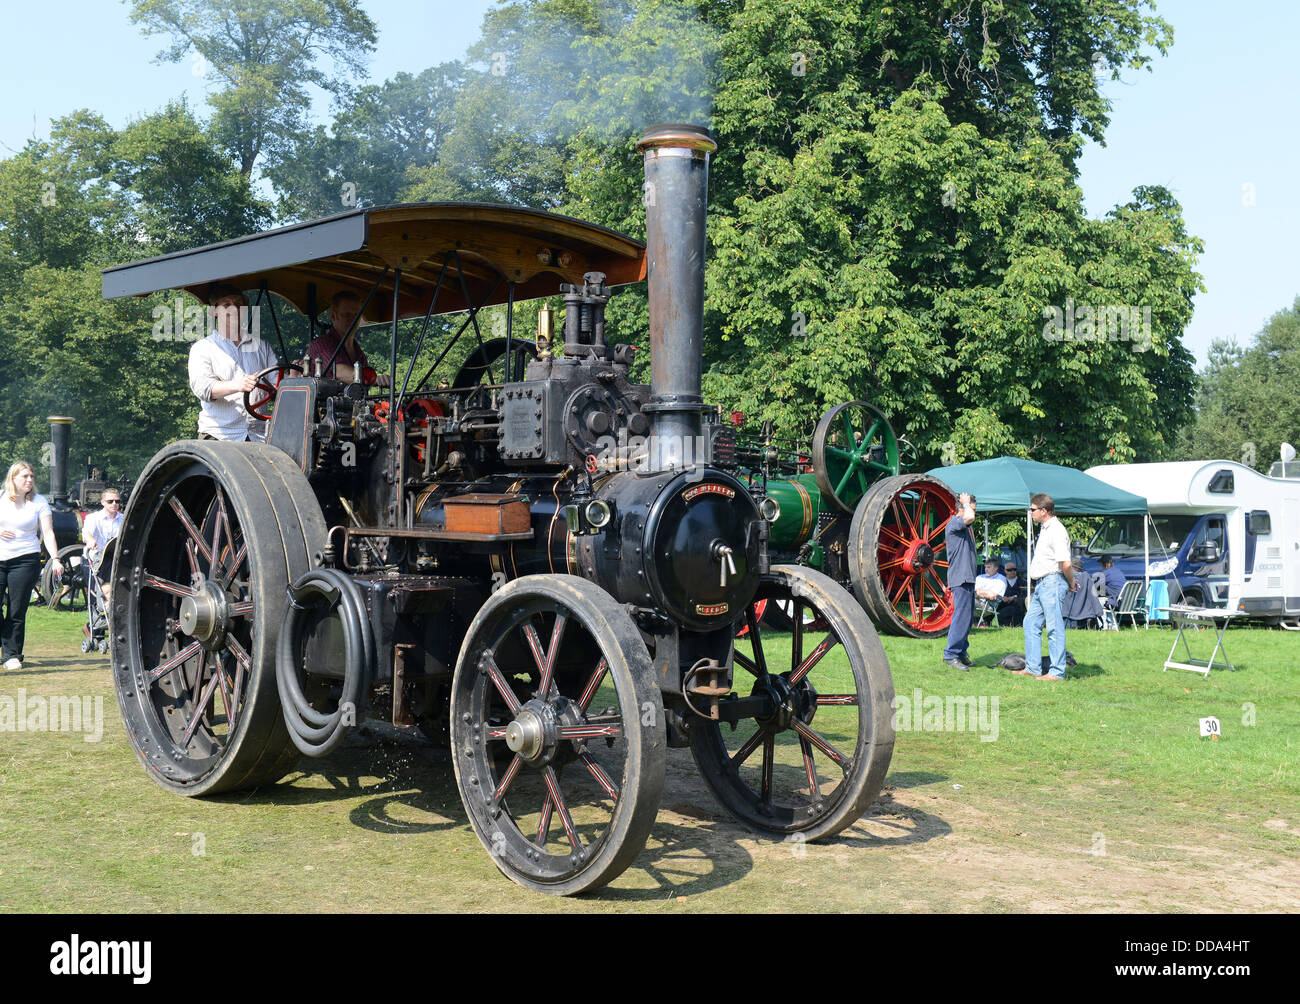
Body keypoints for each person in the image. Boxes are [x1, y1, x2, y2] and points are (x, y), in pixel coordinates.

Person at [188, 284, 279, 442]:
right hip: (219, 436)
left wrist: (291, 378)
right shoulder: (203, 348)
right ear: (214, 312)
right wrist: (238, 385)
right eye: (227, 305)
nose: (234, 309)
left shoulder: (262, 346)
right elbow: (203, 388)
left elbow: (276, 387)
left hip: (258, 437)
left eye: (238, 304)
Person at [1, 462, 64, 670]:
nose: (29, 480)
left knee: (17, 609)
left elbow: (47, 532)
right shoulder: (1, 498)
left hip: (26, 559)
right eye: (25, 476)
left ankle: (12, 655)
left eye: (32, 476)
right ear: (13, 479)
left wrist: (55, 559)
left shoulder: (39, 502)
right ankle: (4, 640)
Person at [1016, 493, 1077, 681]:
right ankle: (1033, 668)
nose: (1030, 512)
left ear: (1044, 511)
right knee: (1030, 622)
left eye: (1033, 509)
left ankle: (1057, 672)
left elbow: (1065, 563)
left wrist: (1072, 582)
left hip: (1052, 582)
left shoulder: (1057, 530)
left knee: (1054, 628)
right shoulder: (1045, 528)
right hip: (1043, 584)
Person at [306, 291, 391, 387]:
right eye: (347, 315)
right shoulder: (321, 344)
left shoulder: (358, 352)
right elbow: (339, 371)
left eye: (356, 315)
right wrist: (374, 379)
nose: (353, 320)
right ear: (333, 316)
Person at [942, 492, 977, 670]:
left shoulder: (964, 527)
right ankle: (951, 655)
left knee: (967, 618)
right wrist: (965, 503)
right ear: (962, 509)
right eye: (971, 508)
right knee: (960, 617)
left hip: (968, 578)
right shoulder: (954, 523)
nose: (974, 513)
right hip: (960, 578)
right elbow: (969, 515)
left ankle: (961, 653)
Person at [82, 489, 123, 601]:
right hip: (94, 559)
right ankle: (95, 615)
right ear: (102, 502)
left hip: (114, 559)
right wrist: (90, 540)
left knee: (114, 591)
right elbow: (86, 532)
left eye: (117, 501)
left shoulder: (124, 519)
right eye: (110, 501)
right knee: (95, 593)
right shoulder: (93, 518)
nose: (114, 504)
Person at [998, 560, 1026, 627]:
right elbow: (996, 593)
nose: (1012, 571)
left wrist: (1014, 598)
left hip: (1018, 607)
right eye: (1009, 570)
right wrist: (1002, 598)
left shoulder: (1023, 582)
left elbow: (1025, 596)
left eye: (1014, 569)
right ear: (1005, 571)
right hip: (1003, 606)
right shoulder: (1000, 582)